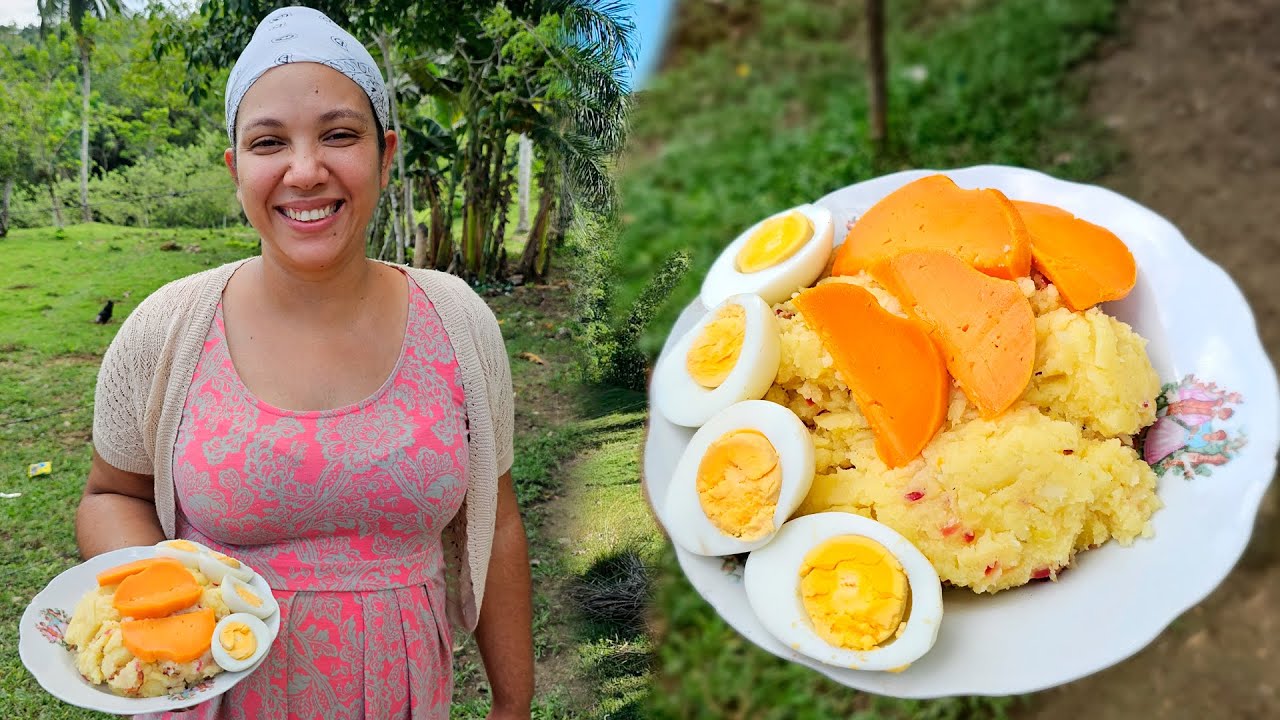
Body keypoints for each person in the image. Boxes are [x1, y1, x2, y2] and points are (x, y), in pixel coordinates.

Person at [75, 7, 533, 719]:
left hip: (402, 695)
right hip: (214, 695)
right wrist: (158, 591)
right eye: (268, 142)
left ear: (385, 154)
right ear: (236, 169)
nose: (305, 170)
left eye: (339, 135)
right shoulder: (167, 330)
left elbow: (497, 519)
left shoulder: (460, 323)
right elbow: (112, 495)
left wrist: (513, 703)